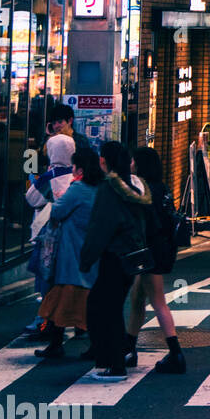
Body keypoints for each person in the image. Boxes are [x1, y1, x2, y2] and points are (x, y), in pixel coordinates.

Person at [79, 141, 153, 381]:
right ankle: (115, 358)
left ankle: (115, 363)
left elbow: (100, 227)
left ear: (103, 161)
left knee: (104, 308)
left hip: (114, 256)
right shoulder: (136, 187)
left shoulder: (109, 189)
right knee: (111, 306)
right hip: (131, 257)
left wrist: (86, 258)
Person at [33, 147, 102, 360]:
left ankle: (57, 344)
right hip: (91, 251)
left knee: (60, 299)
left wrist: (61, 196)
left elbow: (57, 211)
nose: (72, 169)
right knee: (85, 300)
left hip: (71, 252)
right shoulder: (100, 188)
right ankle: (87, 343)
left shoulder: (78, 188)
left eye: (74, 166)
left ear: (80, 169)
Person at [123, 147, 187, 374]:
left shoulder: (144, 189)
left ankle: (176, 353)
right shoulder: (163, 188)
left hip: (150, 251)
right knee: (138, 297)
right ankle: (129, 349)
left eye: (133, 161)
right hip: (161, 249)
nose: (131, 165)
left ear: (140, 165)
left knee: (158, 301)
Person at [24, 132, 76, 336]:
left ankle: (44, 321)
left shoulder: (50, 176)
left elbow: (32, 199)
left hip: (48, 234)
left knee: (45, 277)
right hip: (70, 235)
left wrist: (34, 181)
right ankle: (71, 319)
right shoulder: (77, 174)